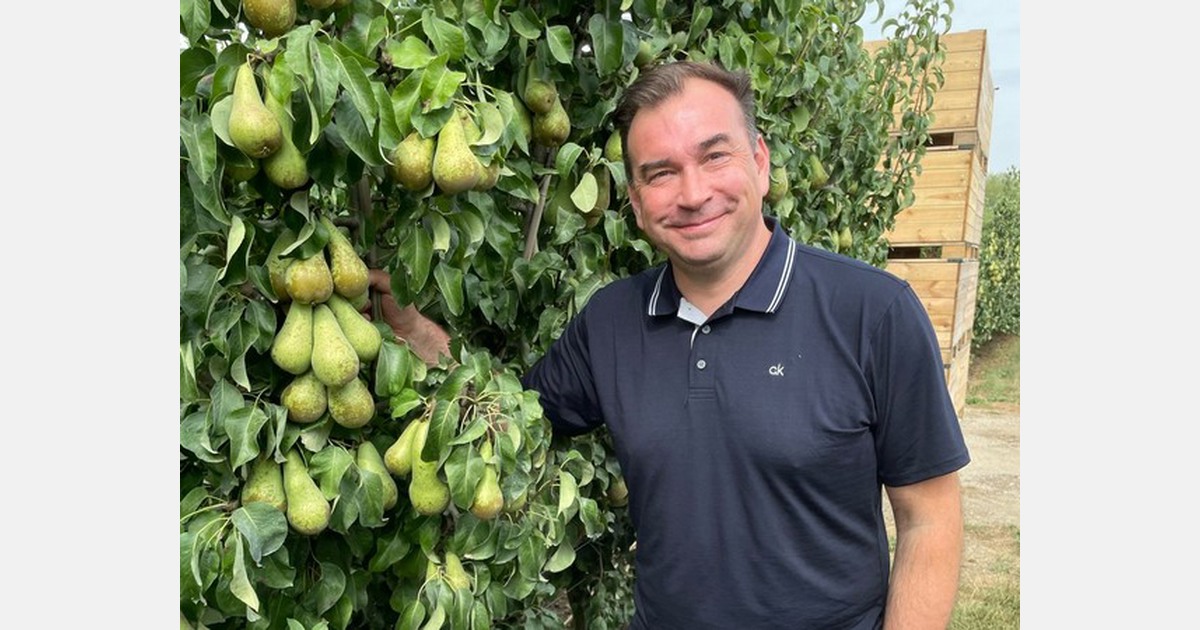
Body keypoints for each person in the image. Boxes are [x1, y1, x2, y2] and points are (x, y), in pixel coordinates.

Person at [368, 60, 970, 629]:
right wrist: (413, 331)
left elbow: (929, 519)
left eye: (715, 157)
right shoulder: (609, 322)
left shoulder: (873, 312)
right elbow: (503, 415)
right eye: (660, 173)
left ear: (760, 163)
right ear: (634, 200)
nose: (691, 193)